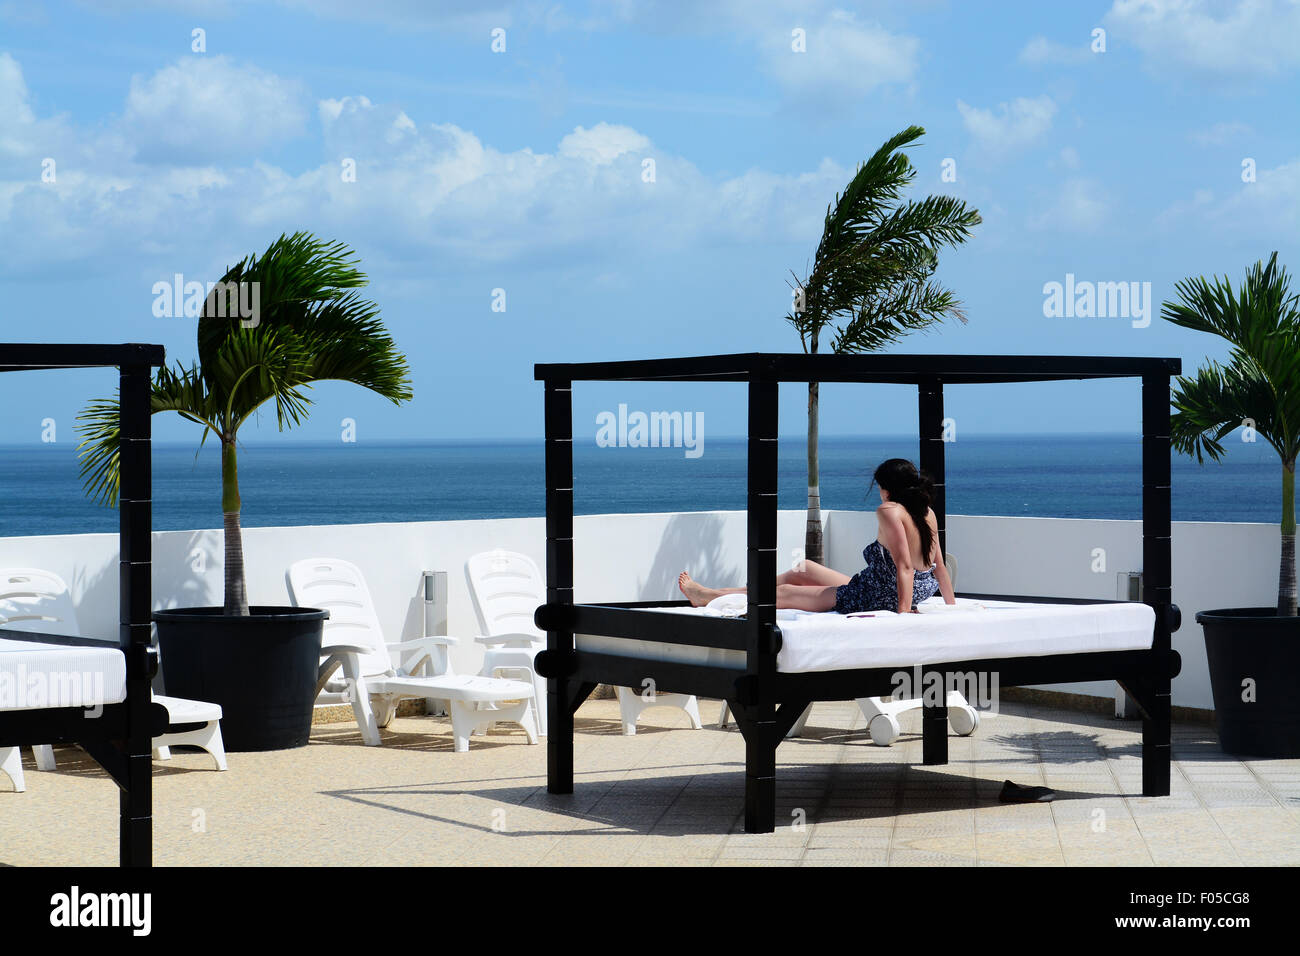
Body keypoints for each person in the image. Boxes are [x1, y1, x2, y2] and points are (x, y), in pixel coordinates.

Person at [677, 458, 957, 614]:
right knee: (805, 568)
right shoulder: (926, 512)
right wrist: (952, 606)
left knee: (785, 593)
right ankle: (722, 592)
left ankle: (708, 595)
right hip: (890, 587)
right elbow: (938, 567)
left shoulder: (889, 511)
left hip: (882, 593)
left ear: (887, 487)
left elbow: (904, 566)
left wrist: (903, 613)